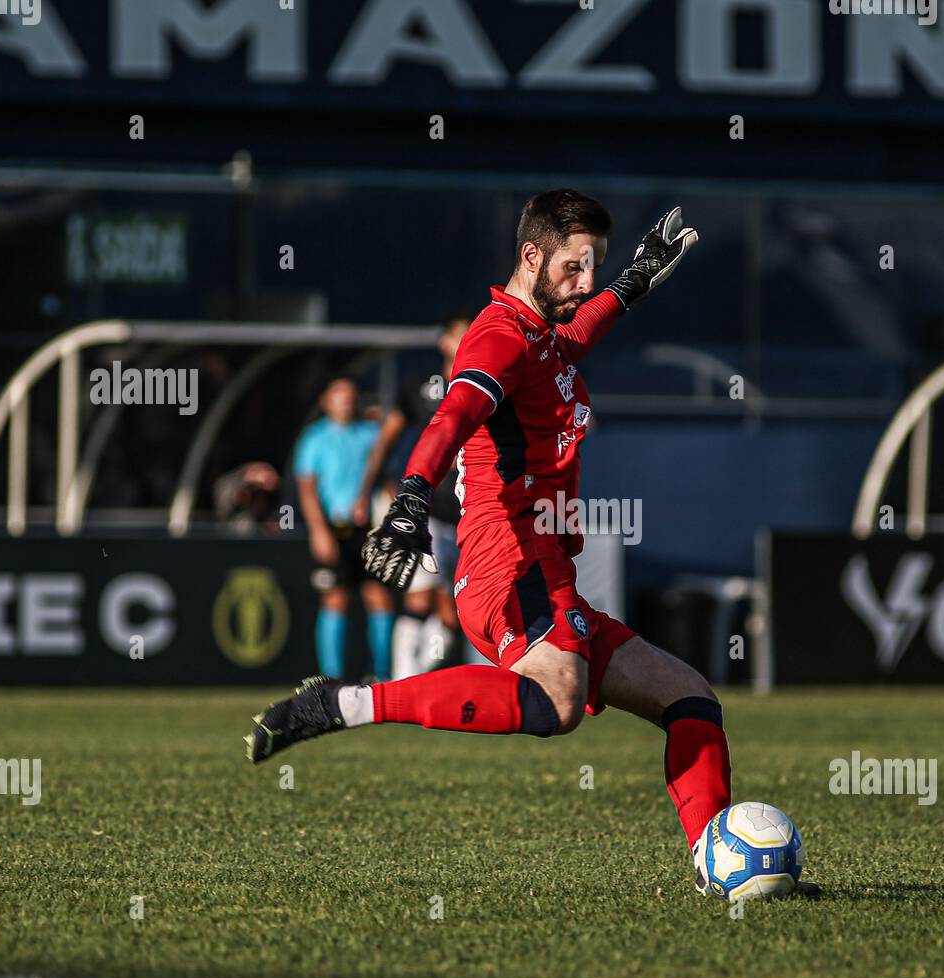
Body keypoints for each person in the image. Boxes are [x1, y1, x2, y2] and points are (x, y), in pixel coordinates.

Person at [248, 190, 743, 895]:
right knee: (559, 703)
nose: (585, 283)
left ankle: (714, 863)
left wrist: (632, 282)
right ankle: (347, 703)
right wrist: (411, 500)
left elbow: (579, 334)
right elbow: (451, 415)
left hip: (547, 566)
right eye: (574, 268)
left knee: (690, 698)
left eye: (593, 267)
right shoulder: (498, 335)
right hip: (504, 559)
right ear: (530, 257)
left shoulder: (546, 331)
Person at [352, 311, 473, 677]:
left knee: (456, 615)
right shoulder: (424, 387)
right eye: (461, 336)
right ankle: (405, 681)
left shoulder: (491, 386)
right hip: (430, 513)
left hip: (474, 515)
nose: (467, 342)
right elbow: (387, 439)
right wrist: (368, 491)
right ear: (445, 342)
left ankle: (418, 674)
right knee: (419, 599)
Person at [292, 376, 393, 681]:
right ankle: (330, 678)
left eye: (350, 394)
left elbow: (385, 478)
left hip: (369, 529)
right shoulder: (315, 438)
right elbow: (307, 489)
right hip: (333, 527)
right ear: (326, 400)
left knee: (379, 597)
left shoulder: (371, 433)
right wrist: (318, 531)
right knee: (335, 598)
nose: (346, 400)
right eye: (339, 394)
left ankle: (381, 675)